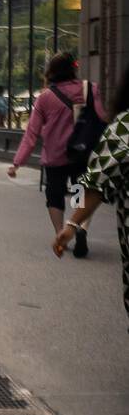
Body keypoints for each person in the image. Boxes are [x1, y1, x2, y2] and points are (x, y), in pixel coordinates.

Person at [9, 53, 107, 252]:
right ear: (73, 68)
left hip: (55, 156)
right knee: (80, 189)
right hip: (83, 153)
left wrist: (17, 163)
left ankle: (60, 234)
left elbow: (32, 133)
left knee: (54, 195)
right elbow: (103, 118)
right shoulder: (90, 89)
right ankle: (79, 227)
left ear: (51, 72)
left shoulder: (45, 97)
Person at [54, 69, 129, 324]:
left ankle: (72, 227)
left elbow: (98, 184)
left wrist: (71, 226)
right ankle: (78, 227)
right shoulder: (92, 88)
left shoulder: (124, 127)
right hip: (87, 149)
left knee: (75, 188)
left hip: (69, 155)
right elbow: (100, 114)